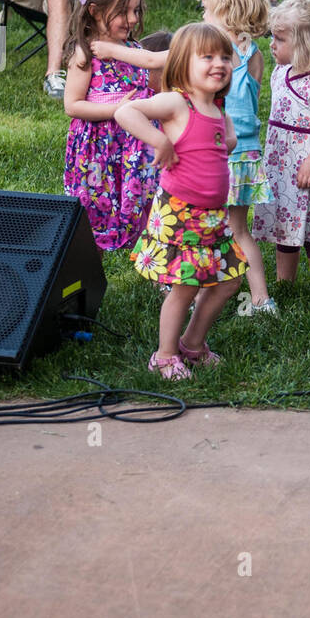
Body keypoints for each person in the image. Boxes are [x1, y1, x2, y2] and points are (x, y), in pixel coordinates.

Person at [116, 22, 247, 379]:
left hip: (213, 216)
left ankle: (192, 343)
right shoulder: (177, 102)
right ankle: (164, 355)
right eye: (207, 57)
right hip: (181, 212)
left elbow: (228, 140)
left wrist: (226, 139)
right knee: (186, 285)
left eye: (224, 56)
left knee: (229, 281)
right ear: (182, 64)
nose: (218, 63)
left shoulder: (218, 110)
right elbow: (126, 112)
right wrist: (159, 141)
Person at [252, 0, 310, 303]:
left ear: (303, 44)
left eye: (279, 39)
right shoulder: (281, 73)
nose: (272, 44)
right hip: (281, 164)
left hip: (309, 166)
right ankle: (284, 283)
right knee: (285, 225)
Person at [195, 0, 277, 314]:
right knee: (240, 230)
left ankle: (197, 296)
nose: (202, 15)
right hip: (248, 154)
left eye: (206, 8)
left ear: (226, 9)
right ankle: (261, 299)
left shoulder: (214, 52)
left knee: (205, 230)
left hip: (218, 152)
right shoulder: (255, 53)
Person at [62, 0, 158, 249]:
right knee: (95, 209)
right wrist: (117, 109)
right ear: (94, 10)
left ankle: (153, 266)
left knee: (143, 205)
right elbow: (73, 105)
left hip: (134, 147)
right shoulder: (86, 53)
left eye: (136, 11)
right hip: (99, 148)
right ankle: (90, 266)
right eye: (123, 12)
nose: (131, 19)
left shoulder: (135, 50)